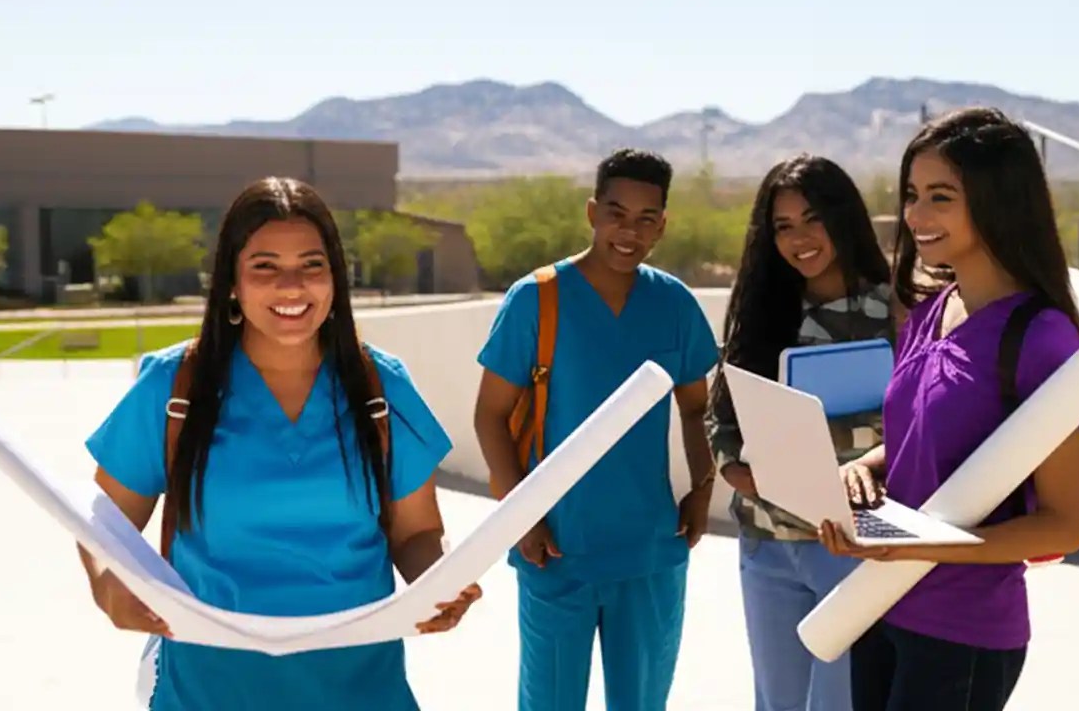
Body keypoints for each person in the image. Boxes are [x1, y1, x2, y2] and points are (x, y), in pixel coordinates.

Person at [77, 177, 482, 710]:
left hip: (360, 691)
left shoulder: (383, 389)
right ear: (231, 282)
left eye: (312, 266)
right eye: (264, 267)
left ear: (336, 277)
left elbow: (417, 532)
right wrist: (109, 587)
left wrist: (439, 582)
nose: (292, 287)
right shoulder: (174, 389)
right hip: (207, 691)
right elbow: (105, 524)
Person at [817, 107, 1079, 711]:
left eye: (941, 196)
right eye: (912, 195)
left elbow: (1061, 524)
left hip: (963, 633)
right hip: (882, 603)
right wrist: (865, 466)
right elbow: (920, 441)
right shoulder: (930, 313)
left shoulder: (1042, 338)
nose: (916, 215)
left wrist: (916, 545)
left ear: (999, 201)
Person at [473, 148, 720, 711]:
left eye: (646, 218)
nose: (628, 231)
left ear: (663, 225)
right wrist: (522, 516)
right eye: (615, 212)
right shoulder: (537, 299)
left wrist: (702, 491)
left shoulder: (675, 305)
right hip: (557, 550)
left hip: (651, 553)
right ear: (592, 212)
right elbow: (489, 415)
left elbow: (694, 408)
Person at [706, 153, 896, 711]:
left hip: (851, 543)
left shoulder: (896, 313)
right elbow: (721, 412)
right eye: (783, 226)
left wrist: (827, 446)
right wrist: (733, 467)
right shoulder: (764, 309)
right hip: (766, 543)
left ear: (844, 218)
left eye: (813, 219)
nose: (800, 238)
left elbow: (910, 423)